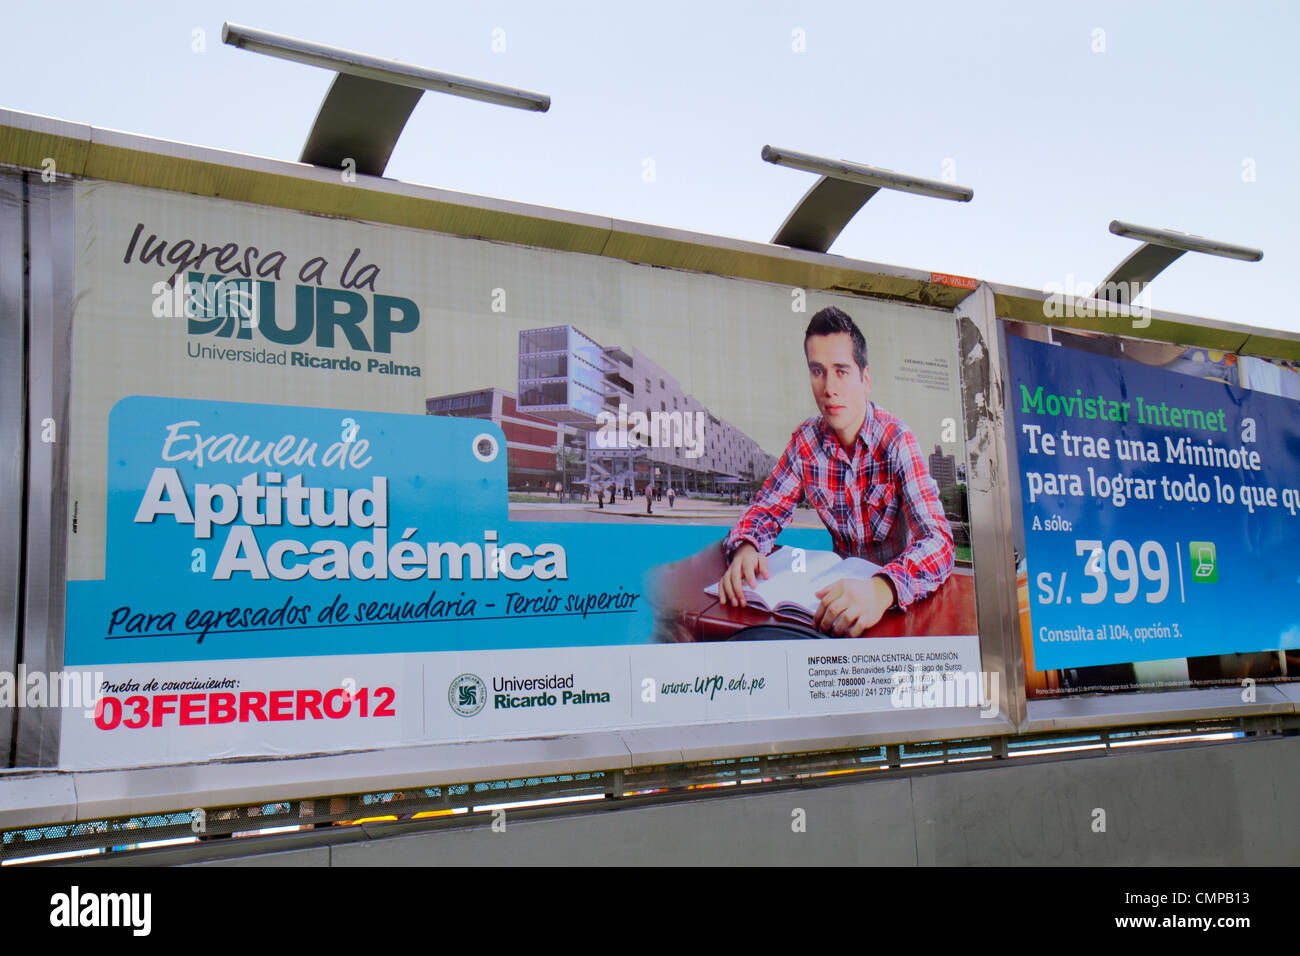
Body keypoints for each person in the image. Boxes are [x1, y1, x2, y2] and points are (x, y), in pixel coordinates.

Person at [717, 306, 954, 636]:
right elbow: (764, 510)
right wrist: (746, 547)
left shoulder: (898, 441)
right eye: (818, 371)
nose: (829, 388)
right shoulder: (805, 443)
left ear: (865, 379)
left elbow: (939, 541)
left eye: (841, 371)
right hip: (834, 604)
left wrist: (883, 588)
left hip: (898, 606)